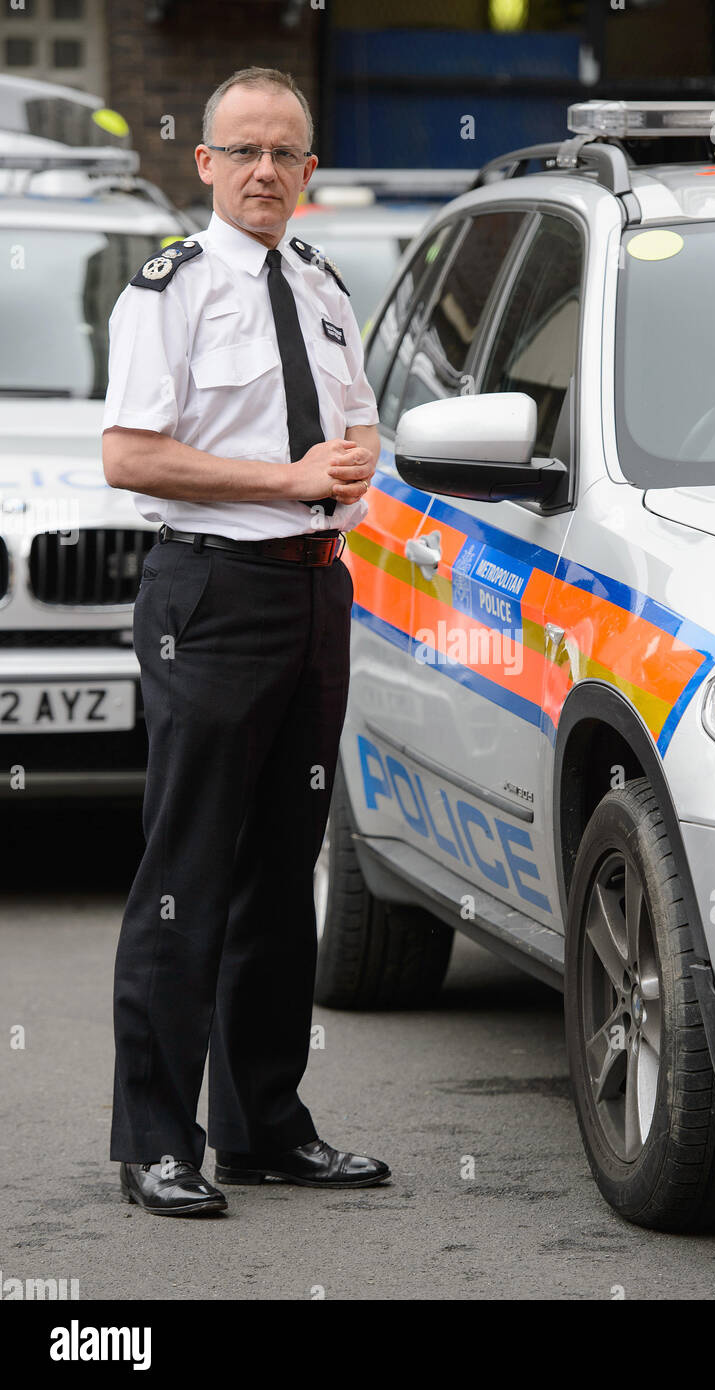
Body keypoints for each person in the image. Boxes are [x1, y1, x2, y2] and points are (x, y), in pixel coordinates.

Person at [101, 66, 389, 1216]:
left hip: (315, 593)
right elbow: (130, 455)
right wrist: (287, 477)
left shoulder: (321, 286)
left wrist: (351, 465)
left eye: (286, 154)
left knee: (282, 873)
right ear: (205, 164)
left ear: (308, 174)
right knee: (187, 876)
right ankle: (156, 1142)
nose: (265, 172)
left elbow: (355, 424)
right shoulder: (166, 293)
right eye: (244, 153)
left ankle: (264, 1124)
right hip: (211, 598)